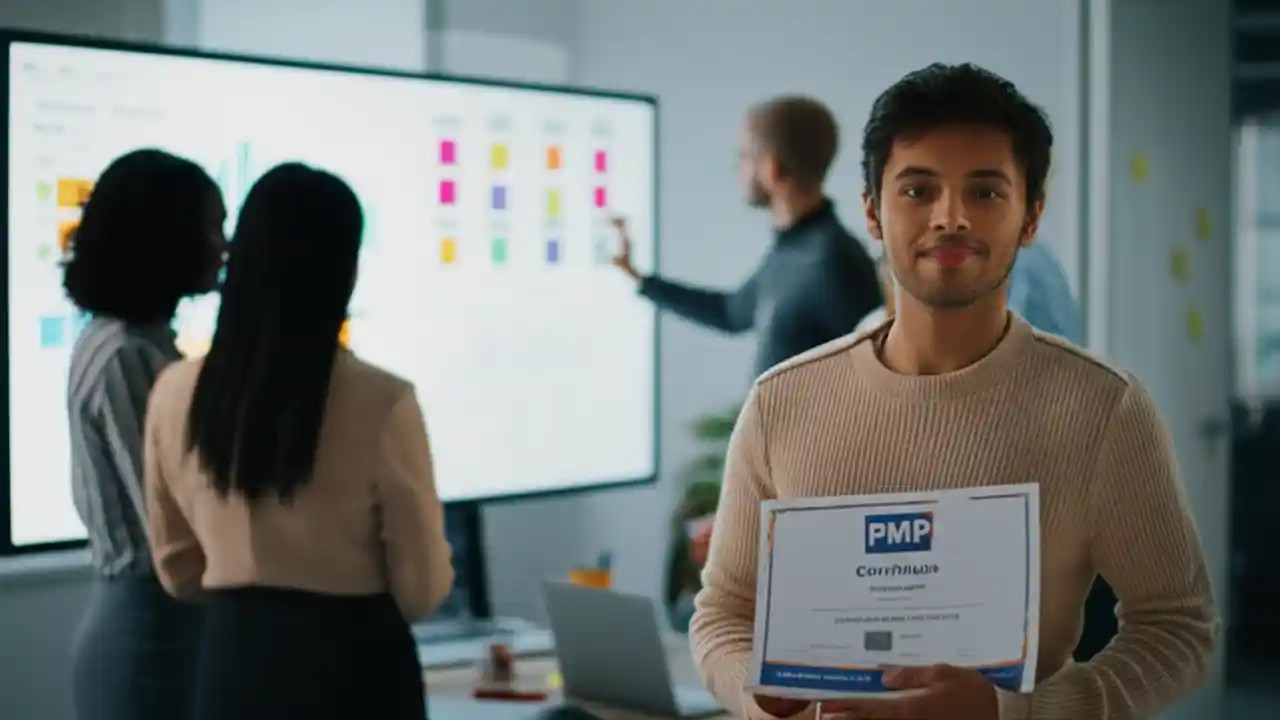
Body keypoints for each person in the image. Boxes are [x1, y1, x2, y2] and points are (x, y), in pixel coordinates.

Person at [690, 63, 1216, 719]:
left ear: (1031, 216)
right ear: (873, 214)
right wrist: (766, 702)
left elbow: (1178, 629)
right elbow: (724, 615)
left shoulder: (1104, 408)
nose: (950, 217)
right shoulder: (781, 402)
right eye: (917, 190)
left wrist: (1016, 712)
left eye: (986, 192)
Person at [142, 163, 454, 719]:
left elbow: (178, 569)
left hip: (231, 667)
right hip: (356, 674)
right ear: (346, 270)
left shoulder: (173, 391)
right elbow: (421, 590)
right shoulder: (384, 401)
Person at [63, 148, 226, 720]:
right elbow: (172, 517)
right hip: (150, 636)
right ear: (167, 238)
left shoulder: (145, 346)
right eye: (211, 228)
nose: (223, 247)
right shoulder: (126, 354)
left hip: (169, 624)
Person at [613, 95, 882, 377]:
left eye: (744, 156)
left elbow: (874, 377)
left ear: (771, 168)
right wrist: (637, 276)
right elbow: (732, 312)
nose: (738, 170)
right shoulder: (793, 251)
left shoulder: (832, 260)